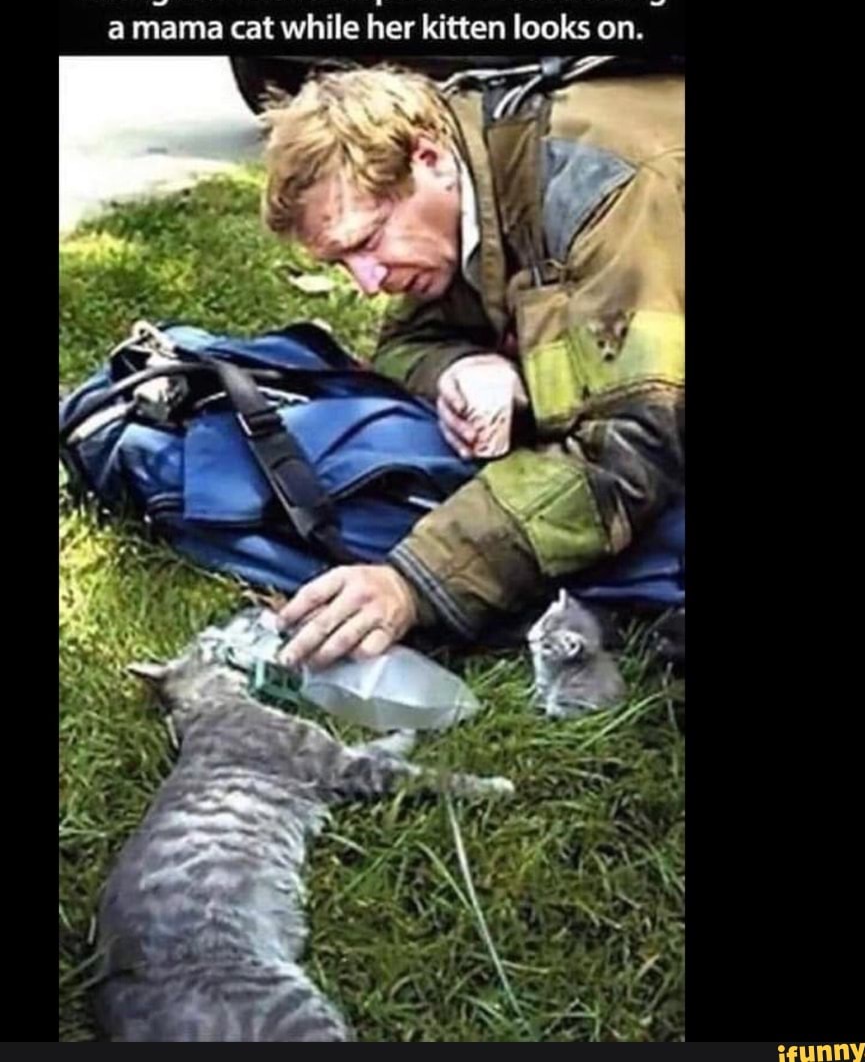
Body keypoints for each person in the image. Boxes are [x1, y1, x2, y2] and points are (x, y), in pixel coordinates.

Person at [258, 62, 684, 669]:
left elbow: (632, 449)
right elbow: (405, 343)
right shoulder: (471, 183)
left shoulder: (607, 188)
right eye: (342, 263)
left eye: (369, 240)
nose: (369, 282)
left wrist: (413, 581)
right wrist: (465, 366)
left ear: (428, 159)